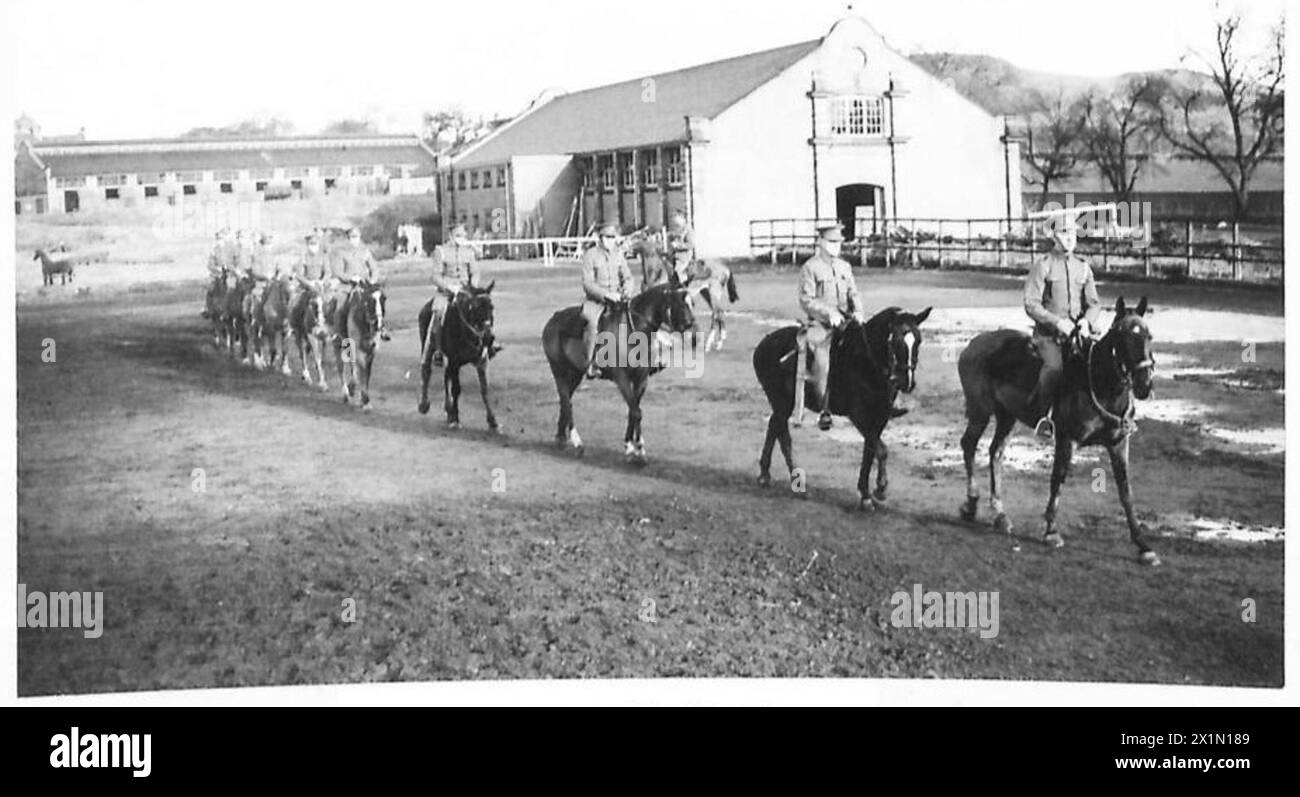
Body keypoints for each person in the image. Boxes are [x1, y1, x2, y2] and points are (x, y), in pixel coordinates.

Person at [1024, 213, 1102, 439]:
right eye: (1063, 233)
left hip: (1080, 334)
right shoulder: (1043, 266)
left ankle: (1106, 415)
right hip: (1050, 337)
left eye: (1072, 233)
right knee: (1054, 368)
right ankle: (1044, 417)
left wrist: (1088, 321)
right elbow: (1031, 304)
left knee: (1102, 362)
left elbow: (1094, 303)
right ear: (1053, 236)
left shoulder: (1084, 267)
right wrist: (1057, 322)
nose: (1069, 238)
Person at [797, 222, 865, 430]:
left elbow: (853, 293)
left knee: (871, 350)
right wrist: (828, 313)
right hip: (821, 324)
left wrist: (859, 311)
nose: (836, 246)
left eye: (838, 242)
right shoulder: (810, 267)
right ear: (821, 242)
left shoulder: (845, 267)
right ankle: (823, 408)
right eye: (831, 242)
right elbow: (806, 300)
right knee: (822, 362)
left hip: (846, 322)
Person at [581, 222, 635, 378]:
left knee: (637, 319)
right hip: (597, 301)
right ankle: (590, 363)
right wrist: (605, 294)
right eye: (607, 237)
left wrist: (627, 289)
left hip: (619, 299)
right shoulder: (590, 255)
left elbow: (628, 276)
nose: (610, 241)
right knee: (592, 325)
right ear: (600, 238)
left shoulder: (618, 255)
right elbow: (587, 283)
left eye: (613, 237)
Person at [428, 223, 481, 366]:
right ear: (450, 236)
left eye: (463, 235)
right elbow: (435, 276)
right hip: (447, 291)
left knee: (482, 309)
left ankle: (485, 345)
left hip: (465, 290)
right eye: (458, 235)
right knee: (439, 312)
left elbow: (475, 272)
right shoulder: (441, 252)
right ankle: (438, 350)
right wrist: (449, 287)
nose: (461, 238)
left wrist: (473, 286)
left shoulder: (468, 252)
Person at [329, 226, 388, 339]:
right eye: (352, 237)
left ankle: (381, 327)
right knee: (340, 306)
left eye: (356, 237)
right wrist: (351, 278)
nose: (354, 240)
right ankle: (339, 333)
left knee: (378, 300)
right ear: (348, 238)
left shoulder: (365, 252)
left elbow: (374, 268)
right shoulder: (341, 252)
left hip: (364, 286)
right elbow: (338, 272)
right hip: (347, 287)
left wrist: (372, 279)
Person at [202, 228, 233, 318]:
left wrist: (230, 268)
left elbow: (233, 262)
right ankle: (207, 308)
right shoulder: (214, 251)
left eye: (222, 238)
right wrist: (217, 269)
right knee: (211, 288)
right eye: (219, 239)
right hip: (217, 275)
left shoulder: (230, 250)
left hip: (229, 274)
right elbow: (209, 265)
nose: (221, 241)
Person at [665, 210, 695, 284]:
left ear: (682, 218)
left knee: (680, 273)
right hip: (673, 258)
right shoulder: (676, 229)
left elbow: (691, 244)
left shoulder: (688, 230)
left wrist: (678, 245)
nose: (674, 219)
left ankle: (683, 288)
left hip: (683, 258)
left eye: (676, 216)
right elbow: (670, 236)